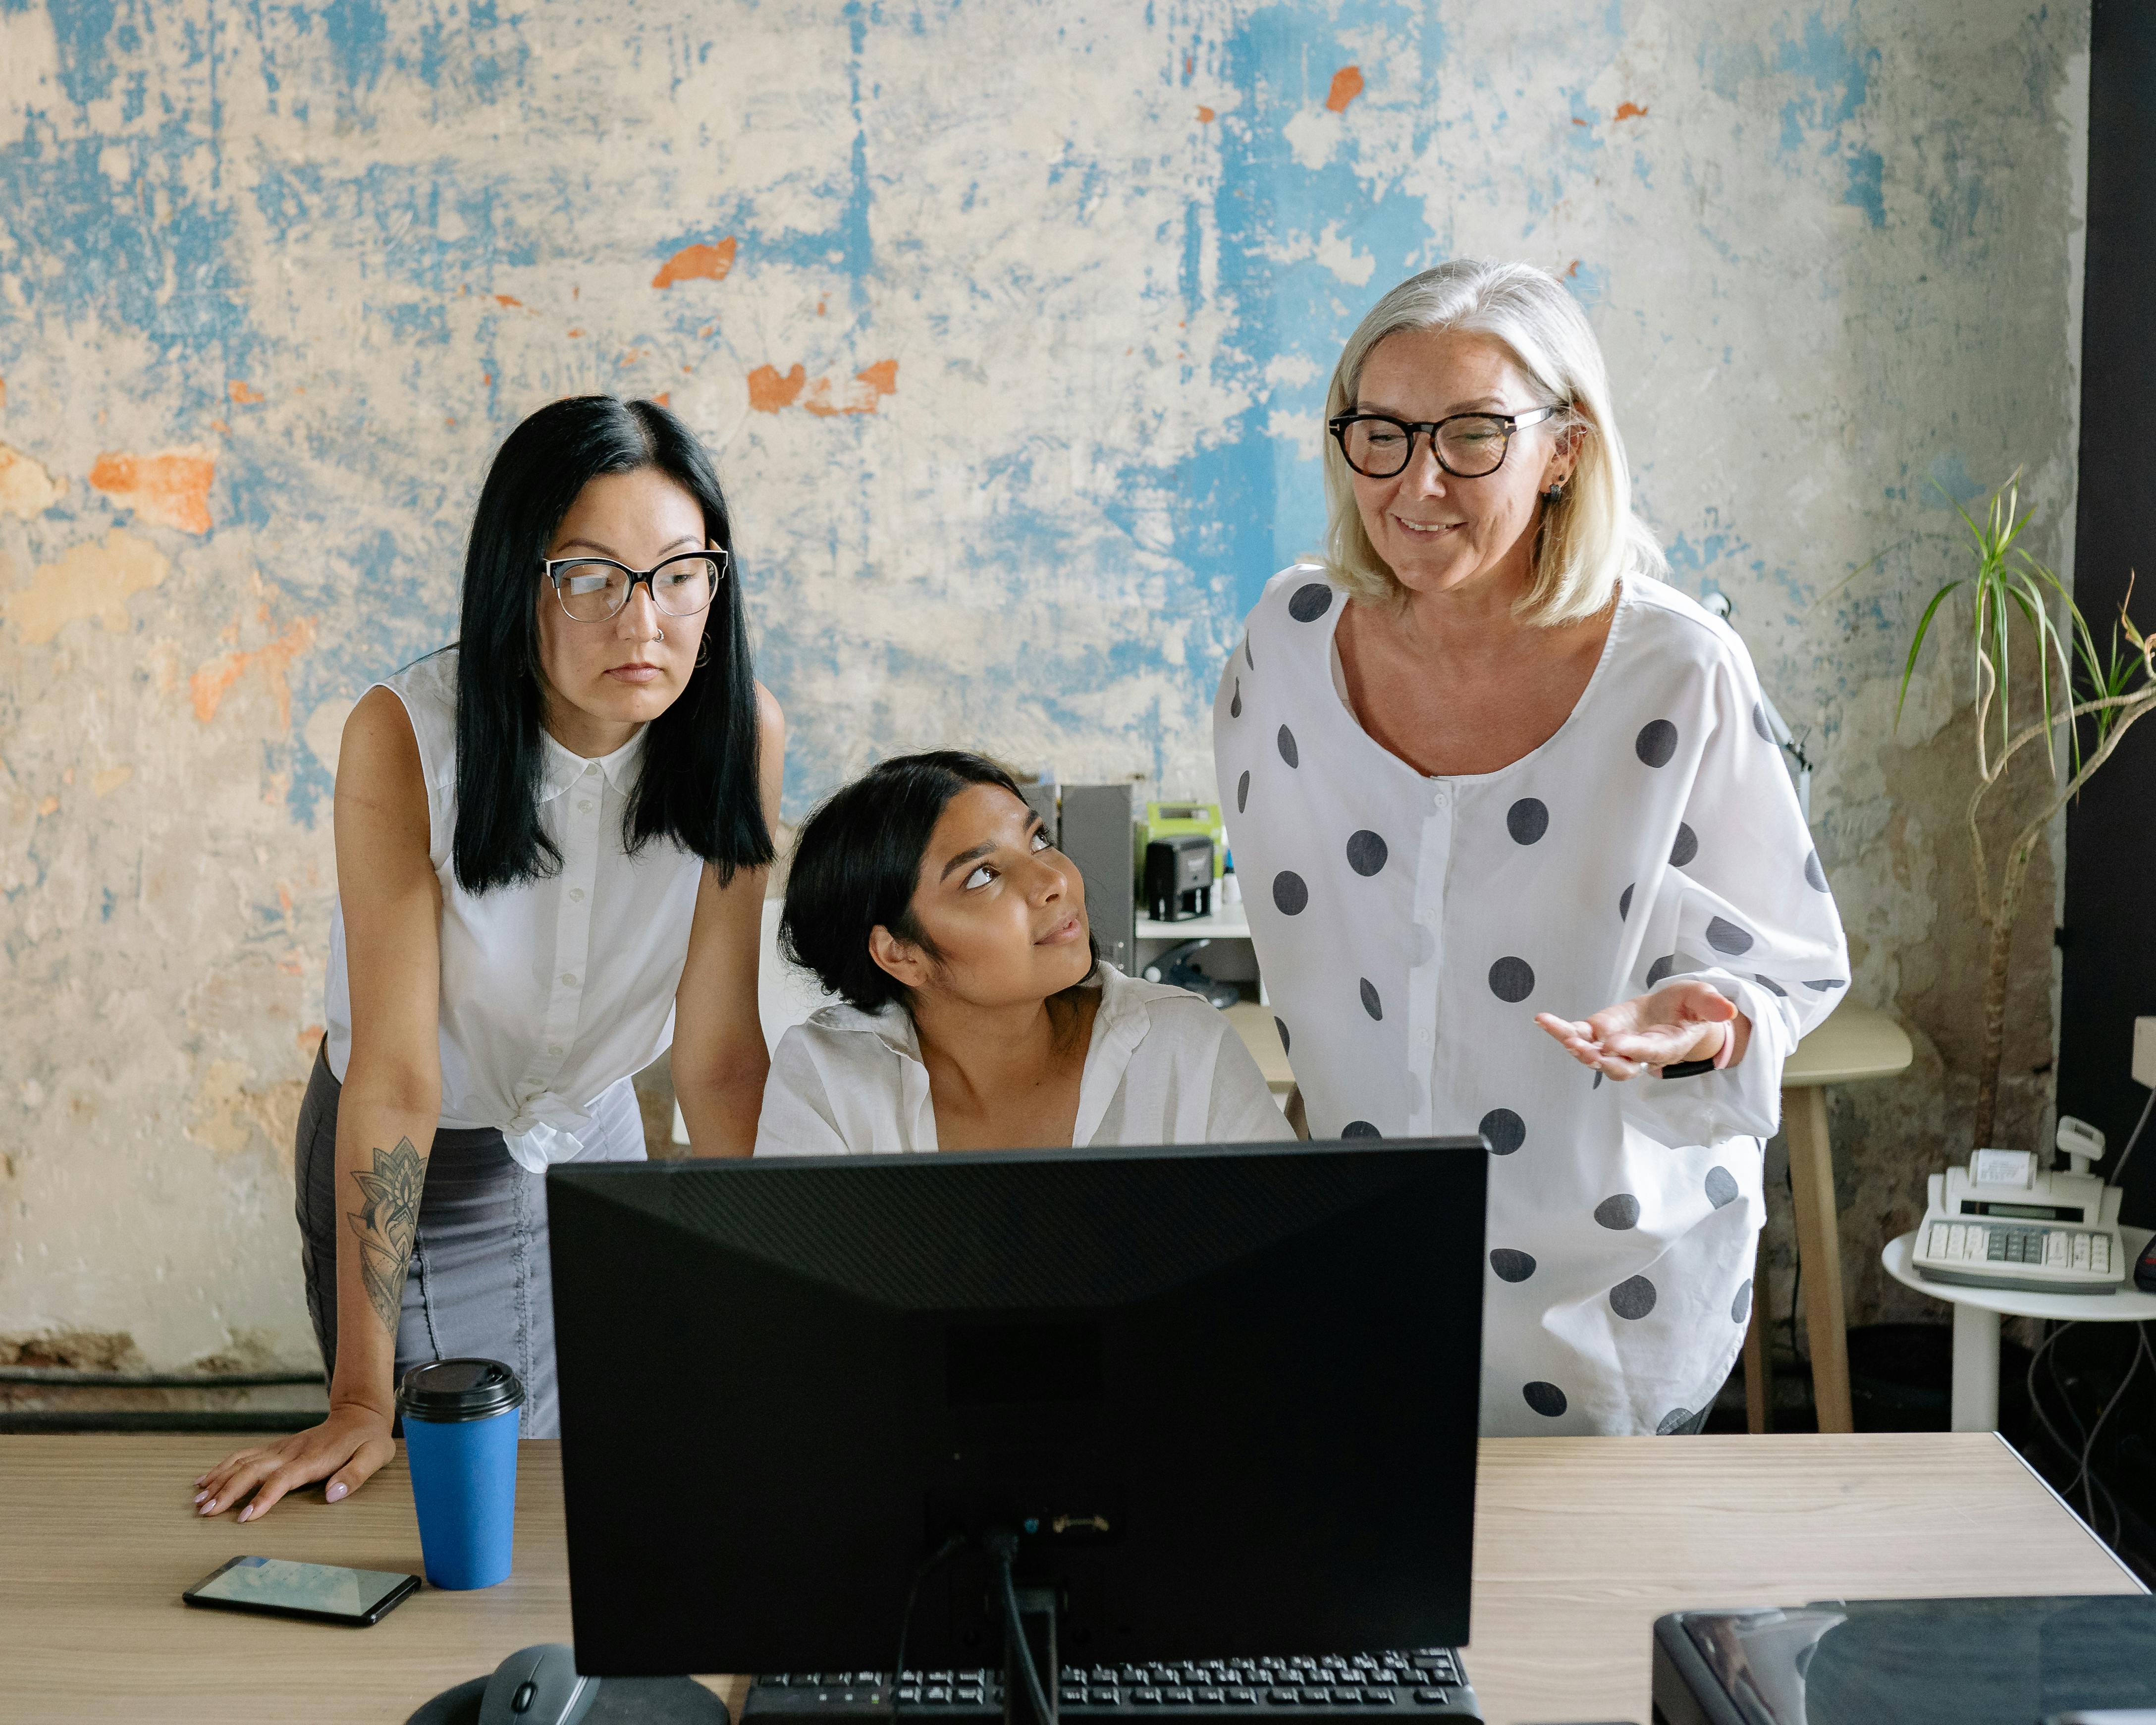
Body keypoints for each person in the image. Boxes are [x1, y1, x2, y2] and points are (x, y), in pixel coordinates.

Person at [1214, 261, 1847, 1436]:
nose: (1416, 482)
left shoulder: (1675, 667)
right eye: (1382, 433)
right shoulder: (1287, 644)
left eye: (1470, 436)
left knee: (1586, 1615)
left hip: (1609, 1296)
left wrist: (1708, 1016)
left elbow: (1785, 962)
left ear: (1562, 448)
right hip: (1367, 1271)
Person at [194, 396, 784, 1521]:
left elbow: (715, 1062)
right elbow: (399, 1078)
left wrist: (789, 1313)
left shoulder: (737, 735)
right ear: (524, 579)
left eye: (679, 573)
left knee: (588, 1502)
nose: (645, 620)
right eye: (595, 577)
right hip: (424, 1152)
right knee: (451, 1512)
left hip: (592, 1136)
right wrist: (361, 1394)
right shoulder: (407, 737)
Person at [755, 752, 1291, 1155]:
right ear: (900, 954)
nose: (1053, 880)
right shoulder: (827, 1078)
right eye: (982, 875)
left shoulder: (1185, 1048)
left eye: (1038, 840)